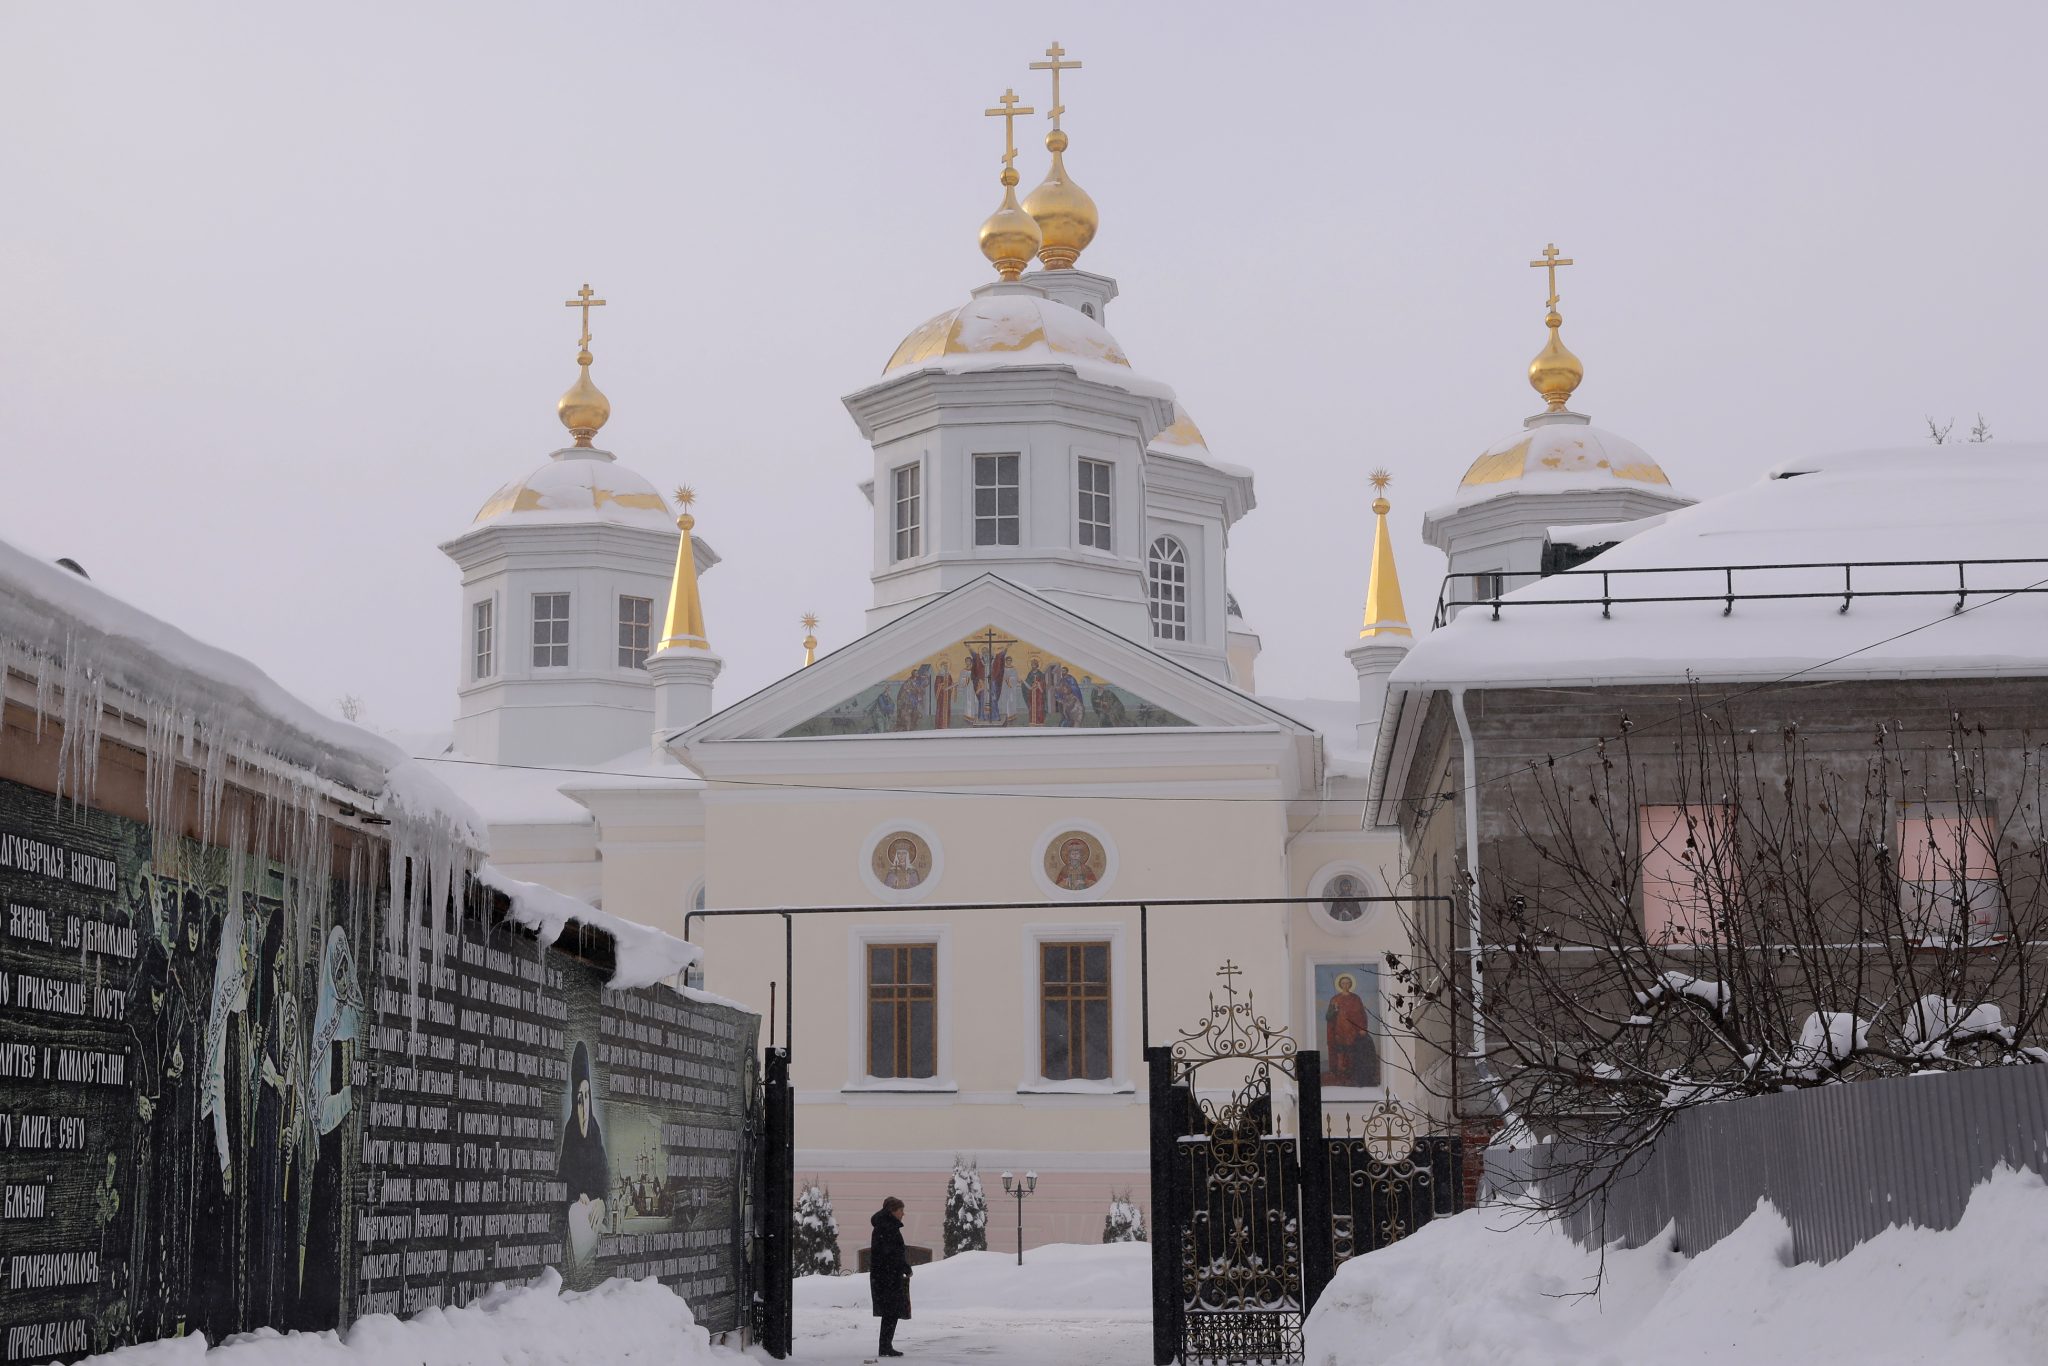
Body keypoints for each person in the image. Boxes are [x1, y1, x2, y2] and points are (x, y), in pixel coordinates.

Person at [869, 1196, 911, 1358]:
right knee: (891, 1311)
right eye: (901, 1210)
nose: (903, 1214)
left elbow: (893, 1253)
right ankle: (885, 1347)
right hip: (887, 1276)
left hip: (887, 1275)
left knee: (891, 1312)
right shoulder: (886, 1228)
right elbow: (891, 1254)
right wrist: (903, 1267)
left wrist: (903, 1267)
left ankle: (886, 1346)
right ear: (892, 1211)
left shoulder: (886, 1226)